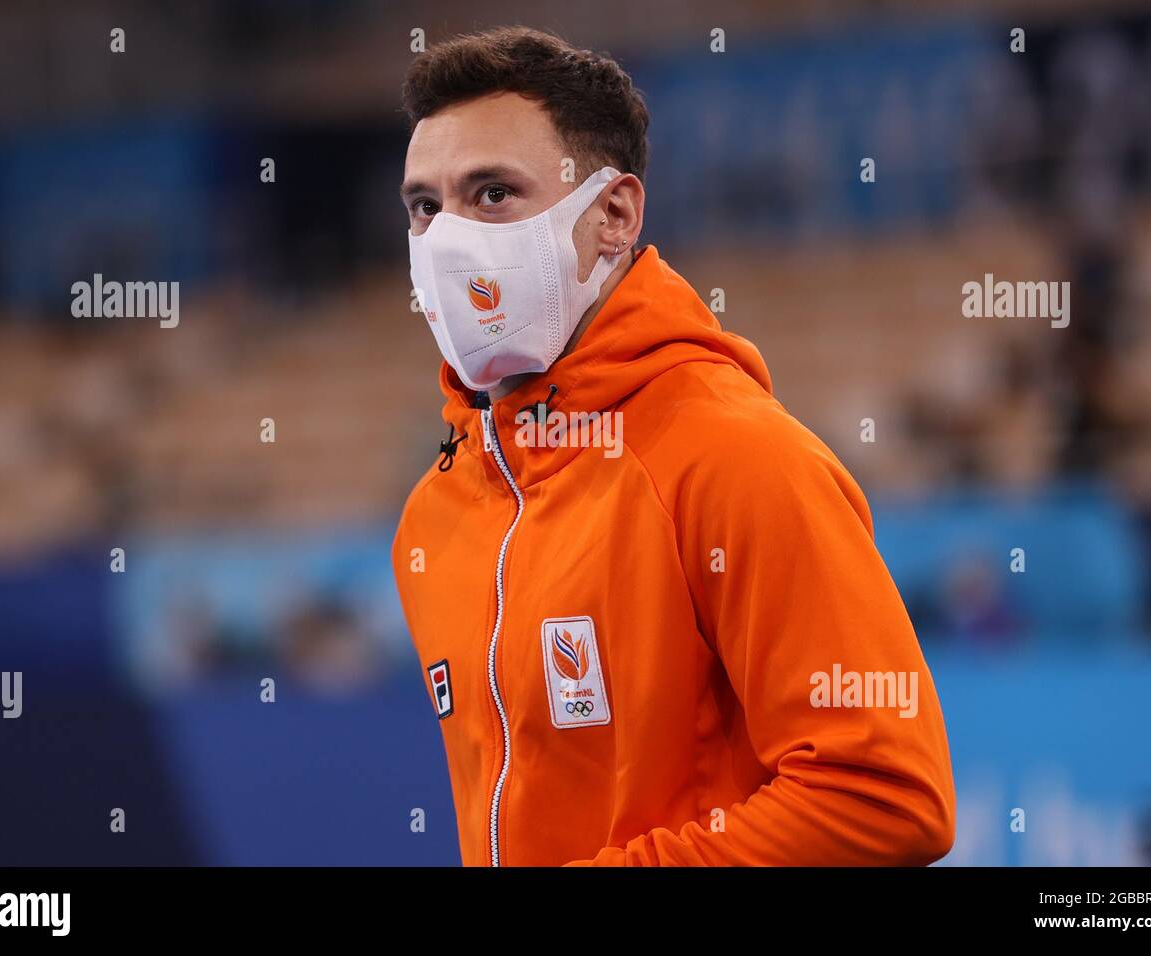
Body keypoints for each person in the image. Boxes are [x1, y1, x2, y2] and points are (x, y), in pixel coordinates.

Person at [391, 26, 955, 866]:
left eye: (494, 194)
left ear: (613, 215)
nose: (446, 239)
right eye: (426, 207)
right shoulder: (435, 516)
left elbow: (886, 793)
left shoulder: (737, 458)